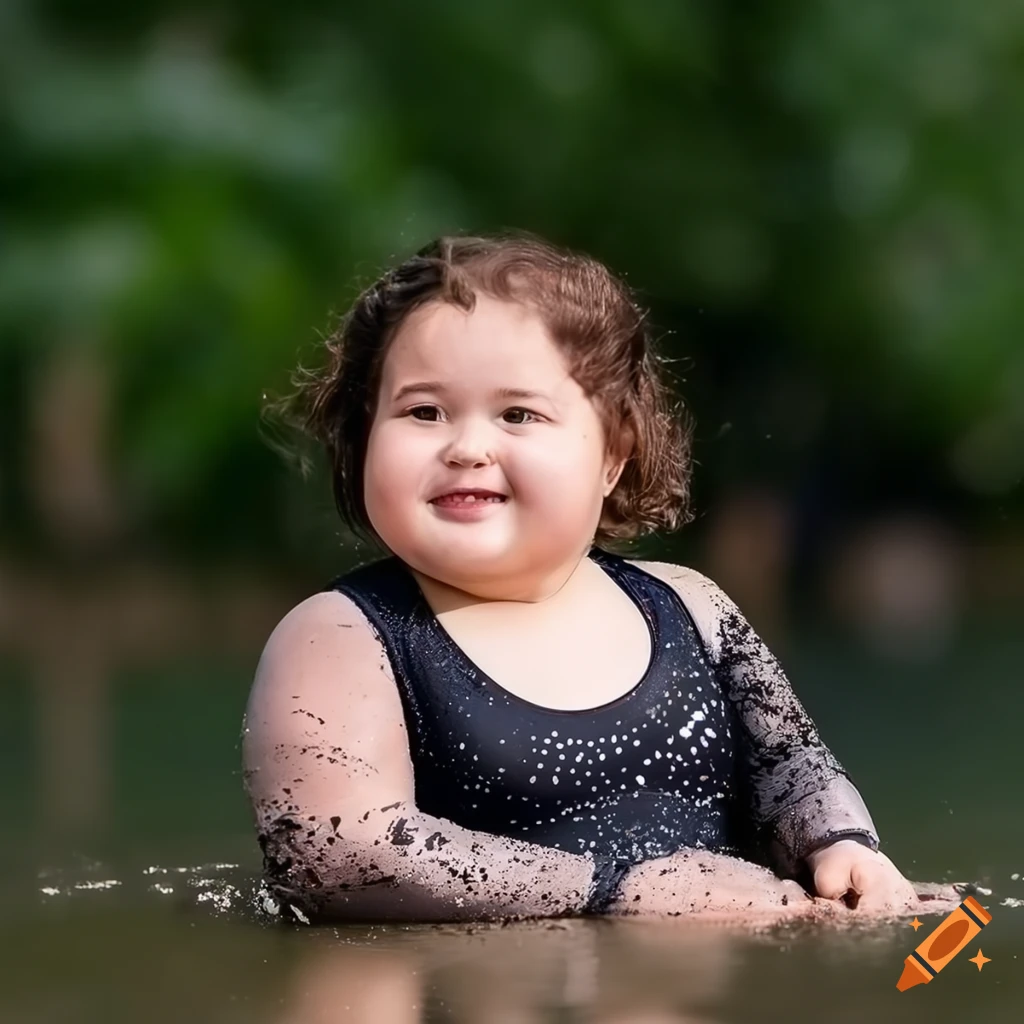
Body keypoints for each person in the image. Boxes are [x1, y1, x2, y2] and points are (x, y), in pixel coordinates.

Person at [242, 233, 920, 923]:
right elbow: (337, 857)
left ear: (614, 456)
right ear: (362, 441)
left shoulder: (690, 606)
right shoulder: (342, 636)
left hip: (718, 969)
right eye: (424, 412)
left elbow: (793, 766)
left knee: (955, 939)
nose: (467, 447)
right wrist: (613, 889)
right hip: (486, 987)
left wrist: (842, 843)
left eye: (518, 415)